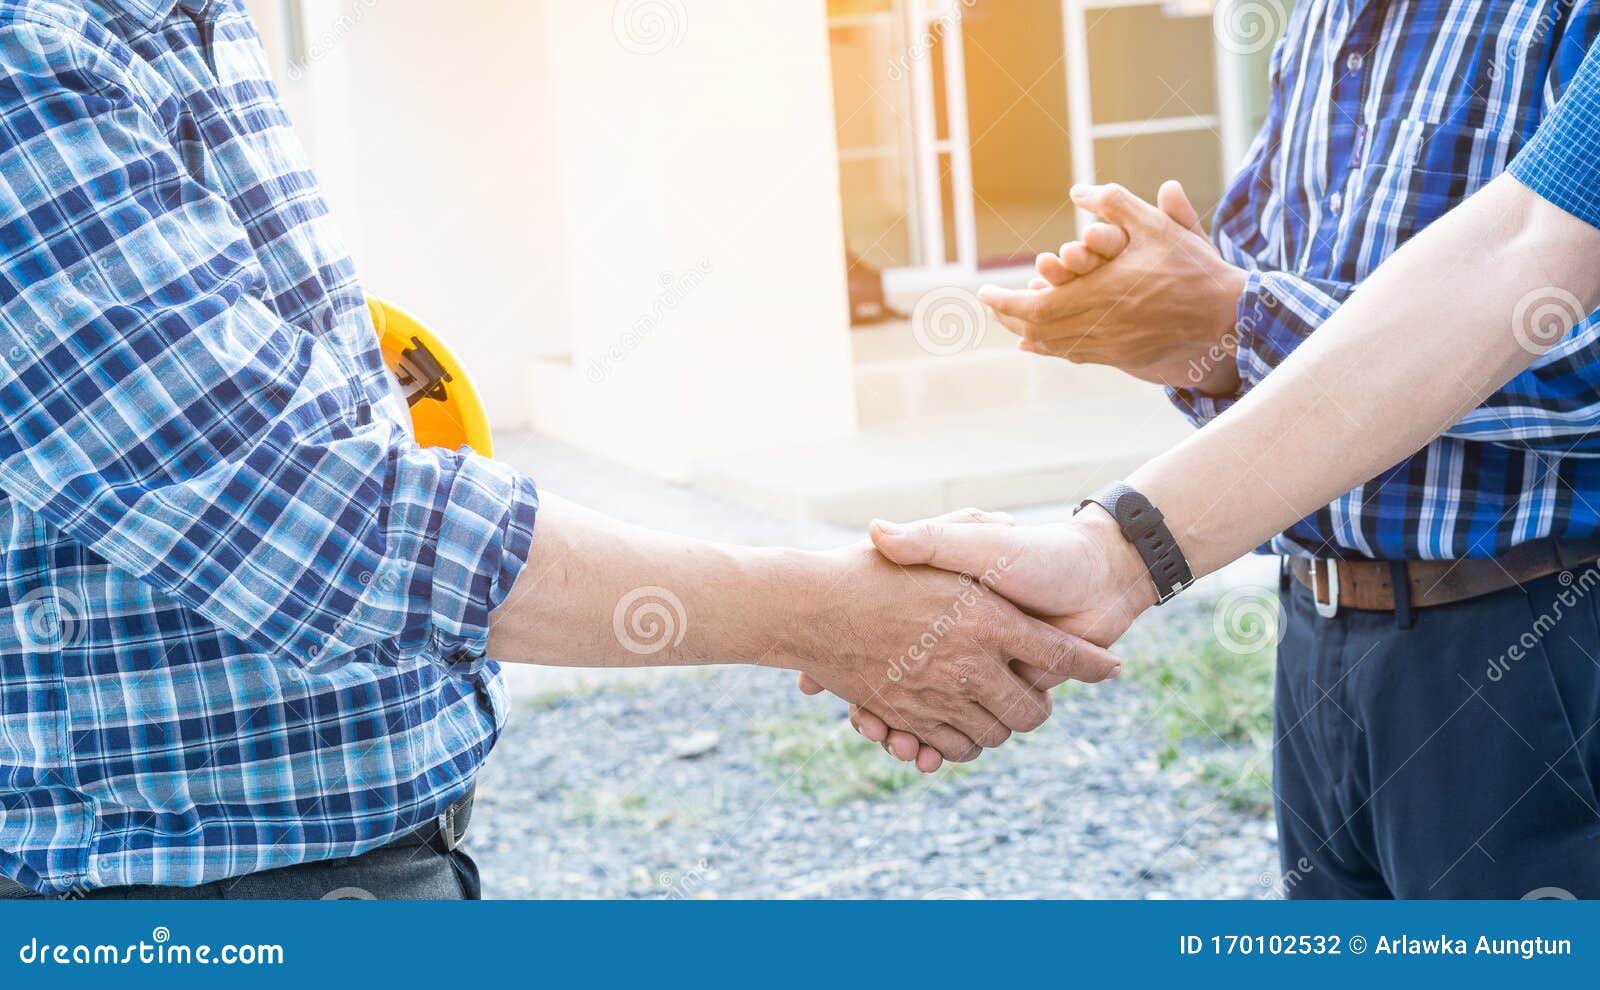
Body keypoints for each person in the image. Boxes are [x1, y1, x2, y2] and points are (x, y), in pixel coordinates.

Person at [0, 0, 1125, 900]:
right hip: (170, 896)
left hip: (329, 862)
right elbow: (304, 508)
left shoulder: (179, 24)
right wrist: (825, 611)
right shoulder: (29, 51)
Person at [827, 24, 1600, 899]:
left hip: (1533, 634)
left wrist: (1233, 319)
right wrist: (1182, 333)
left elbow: (1536, 290)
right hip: (1319, 630)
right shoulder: (1321, 25)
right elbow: (1259, 327)